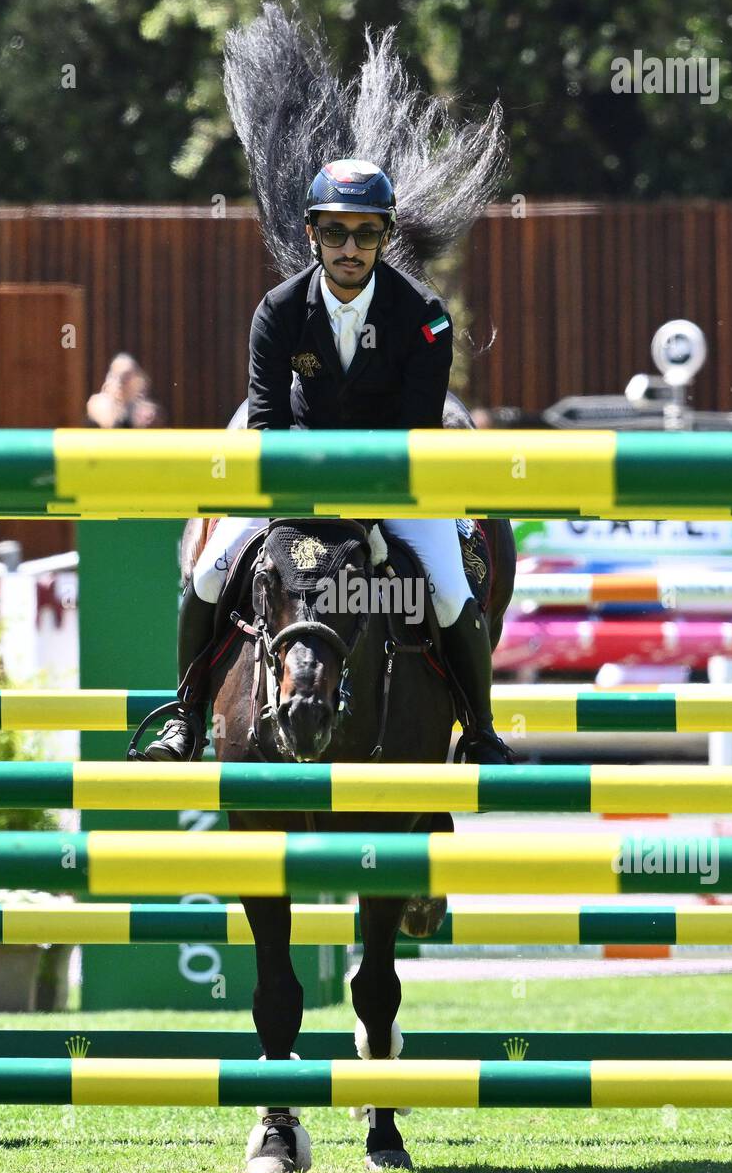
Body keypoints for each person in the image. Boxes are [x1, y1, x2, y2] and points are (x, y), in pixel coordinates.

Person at [145, 159, 515, 764]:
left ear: (385, 237)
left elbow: (417, 431)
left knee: (450, 592)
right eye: (336, 232)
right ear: (313, 234)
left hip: (396, 477)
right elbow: (266, 426)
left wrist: (365, 514)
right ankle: (183, 720)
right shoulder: (277, 310)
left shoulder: (426, 315)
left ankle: (479, 729)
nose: (350, 248)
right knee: (211, 572)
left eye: (366, 233)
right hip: (295, 470)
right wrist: (307, 500)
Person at [85, 354, 166, 428]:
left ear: (138, 381)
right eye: (115, 376)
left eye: (126, 377)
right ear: (108, 380)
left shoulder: (147, 412)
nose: (120, 382)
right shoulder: (98, 404)